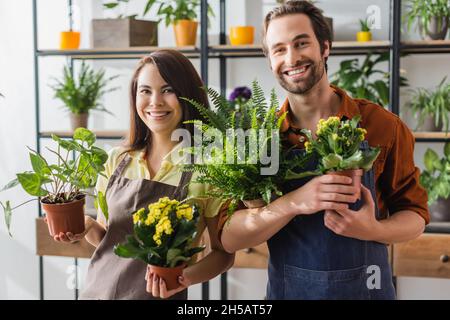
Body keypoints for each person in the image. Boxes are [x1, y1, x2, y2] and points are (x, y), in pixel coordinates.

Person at [220, 1, 429, 300]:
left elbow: (415, 216)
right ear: (269, 60)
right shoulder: (259, 138)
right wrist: (294, 202)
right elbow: (229, 237)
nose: (291, 57)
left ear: (325, 47)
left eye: (301, 43)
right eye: (279, 49)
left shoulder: (381, 125)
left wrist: (373, 230)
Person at [53, 50, 234, 300]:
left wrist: (184, 279)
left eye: (168, 90)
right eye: (145, 91)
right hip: (98, 292)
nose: (155, 102)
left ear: (188, 95)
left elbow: (223, 254)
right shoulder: (118, 159)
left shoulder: (209, 168)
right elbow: (111, 239)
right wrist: (87, 227)